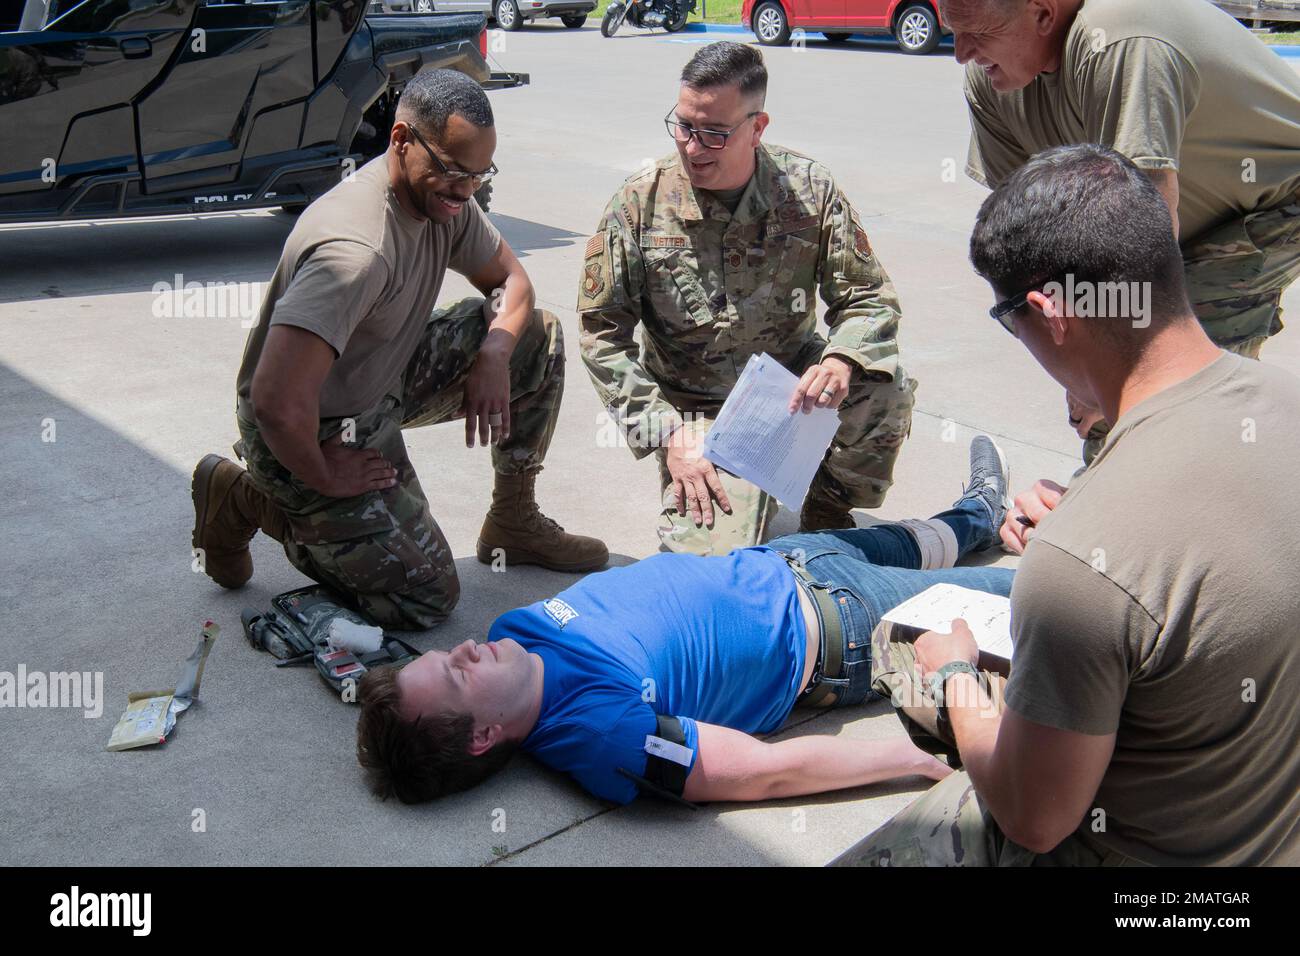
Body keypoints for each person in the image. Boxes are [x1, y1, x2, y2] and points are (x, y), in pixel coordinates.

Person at [838, 145, 1300, 867]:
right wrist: (1098, 563)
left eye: (1007, 316)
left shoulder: (1081, 565)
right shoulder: (1282, 404)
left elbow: (1035, 819)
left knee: (920, 661)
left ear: (1049, 313)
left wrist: (956, 676)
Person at [354, 437, 1012, 806]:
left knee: (933, 538)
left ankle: (985, 514)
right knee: (1030, 596)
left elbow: (408, 717)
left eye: (445, 654)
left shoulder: (511, 640)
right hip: (843, 622)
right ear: (483, 737)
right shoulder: (603, 734)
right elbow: (759, 770)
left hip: (788, 557)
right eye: (457, 674)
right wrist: (907, 761)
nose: (466, 647)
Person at [191, 69, 607, 630]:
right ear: (401, 140)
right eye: (454, 172)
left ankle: (514, 519)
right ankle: (248, 496)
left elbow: (515, 286)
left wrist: (494, 355)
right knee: (426, 597)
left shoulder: (444, 200)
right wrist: (324, 475)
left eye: (479, 174)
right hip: (312, 426)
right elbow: (274, 401)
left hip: (383, 371)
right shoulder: (355, 253)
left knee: (534, 334)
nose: (466, 192)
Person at [578, 41, 916, 554]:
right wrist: (667, 431)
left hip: (788, 395)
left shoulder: (810, 191)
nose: (692, 147)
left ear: (757, 128)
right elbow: (602, 334)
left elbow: (868, 296)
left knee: (883, 386)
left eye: (714, 133)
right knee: (707, 571)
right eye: (684, 126)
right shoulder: (638, 204)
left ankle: (827, 507)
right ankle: (717, 489)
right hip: (695, 414)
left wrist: (843, 358)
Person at [941, 0, 1300, 460]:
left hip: (1267, 204)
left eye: (978, 33)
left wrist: (1103, 376)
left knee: (1175, 387)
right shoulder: (990, 80)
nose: (960, 53)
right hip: (1162, 222)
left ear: (1044, 14)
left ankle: (1200, 486)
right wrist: (1078, 368)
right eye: (953, 30)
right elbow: (1028, 243)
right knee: (1107, 377)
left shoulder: (1124, 43)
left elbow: (1142, 244)